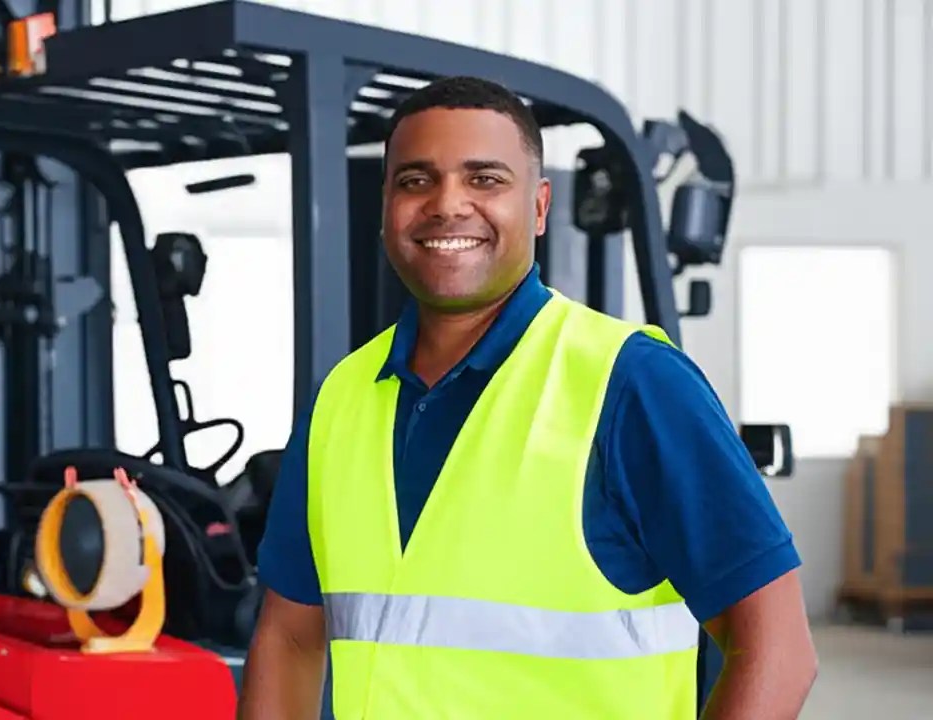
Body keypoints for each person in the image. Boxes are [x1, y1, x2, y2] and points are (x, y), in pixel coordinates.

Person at [237, 76, 817, 719]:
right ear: (386, 207)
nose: (446, 204)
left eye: (484, 179)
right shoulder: (340, 398)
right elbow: (290, 635)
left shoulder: (632, 383)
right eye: (415, 180)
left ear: (539, 208)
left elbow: (778, 648)